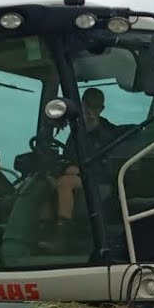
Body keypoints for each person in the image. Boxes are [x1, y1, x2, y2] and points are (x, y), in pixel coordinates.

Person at [52, 87, 126, 236]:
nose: (90, 111)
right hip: (78, 178)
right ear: (81, 105)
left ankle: (61, 236)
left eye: (95, 107)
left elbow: (109, 168)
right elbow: (67, 158)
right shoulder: (76, 134)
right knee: (46, 182)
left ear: (102, 109)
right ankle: (42, 229)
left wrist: (81, 171)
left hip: (101, 183)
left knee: (65, 183)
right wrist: (66, 168)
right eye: (87, 106)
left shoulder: (110, 135)